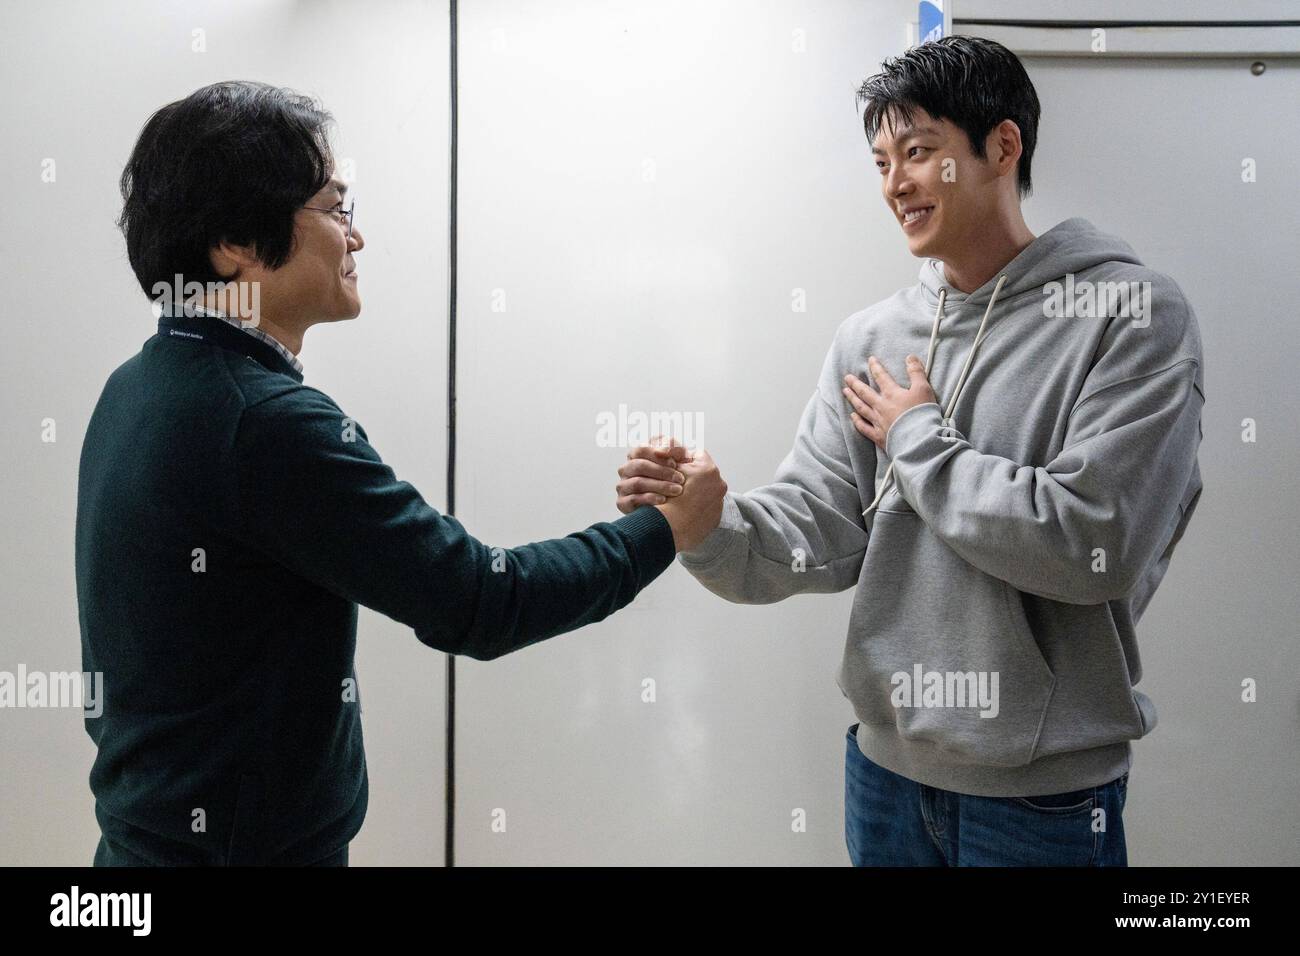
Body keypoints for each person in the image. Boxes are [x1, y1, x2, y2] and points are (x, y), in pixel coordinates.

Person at [77, 80, 725, 866]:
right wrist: (664, 528)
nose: (355, 238)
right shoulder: (264, 423)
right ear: (235, 242)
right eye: (333, 207)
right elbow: (485, 600)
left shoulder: (140, 385)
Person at [617, 36, 1205, 866]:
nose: (895, 184)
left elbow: (1091, 542)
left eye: (921, 153)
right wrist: (712, 525)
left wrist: (916, 435)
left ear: (1002, 147)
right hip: (885, 778)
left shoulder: (1131, 314)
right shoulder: (872, 338)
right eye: (882, 160)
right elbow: (819, 528)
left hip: (1044, 798)